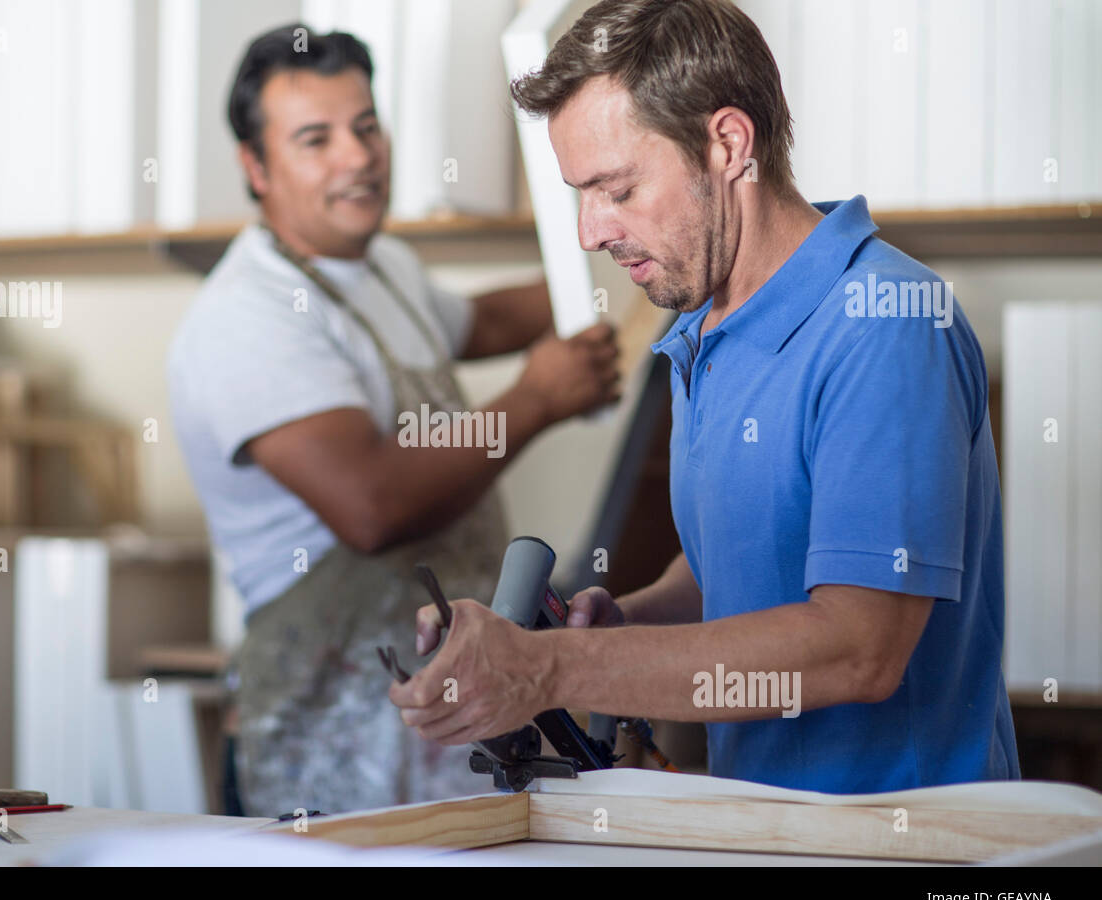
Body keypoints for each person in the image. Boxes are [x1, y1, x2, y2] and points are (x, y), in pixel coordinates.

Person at [390, 0, 1020, 794]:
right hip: (762, 832)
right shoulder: (702, 330)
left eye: (615, 188)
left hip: (907, 845)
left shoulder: (883, 328)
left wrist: (555, 667)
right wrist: (623, 624)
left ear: (727, 144)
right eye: (579, 194)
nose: (590, 231)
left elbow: (860, 649)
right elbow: (741, 559)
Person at [168, 24, 621, 816]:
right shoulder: (247, 318)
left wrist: (615, 245)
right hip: (329, 744)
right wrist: (539, 399)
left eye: (366, 125)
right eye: (316, 138)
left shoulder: (383, 267)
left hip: (445, 722)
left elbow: (477, 323)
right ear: (255, 166)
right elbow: (371, 506)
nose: (358, 156)